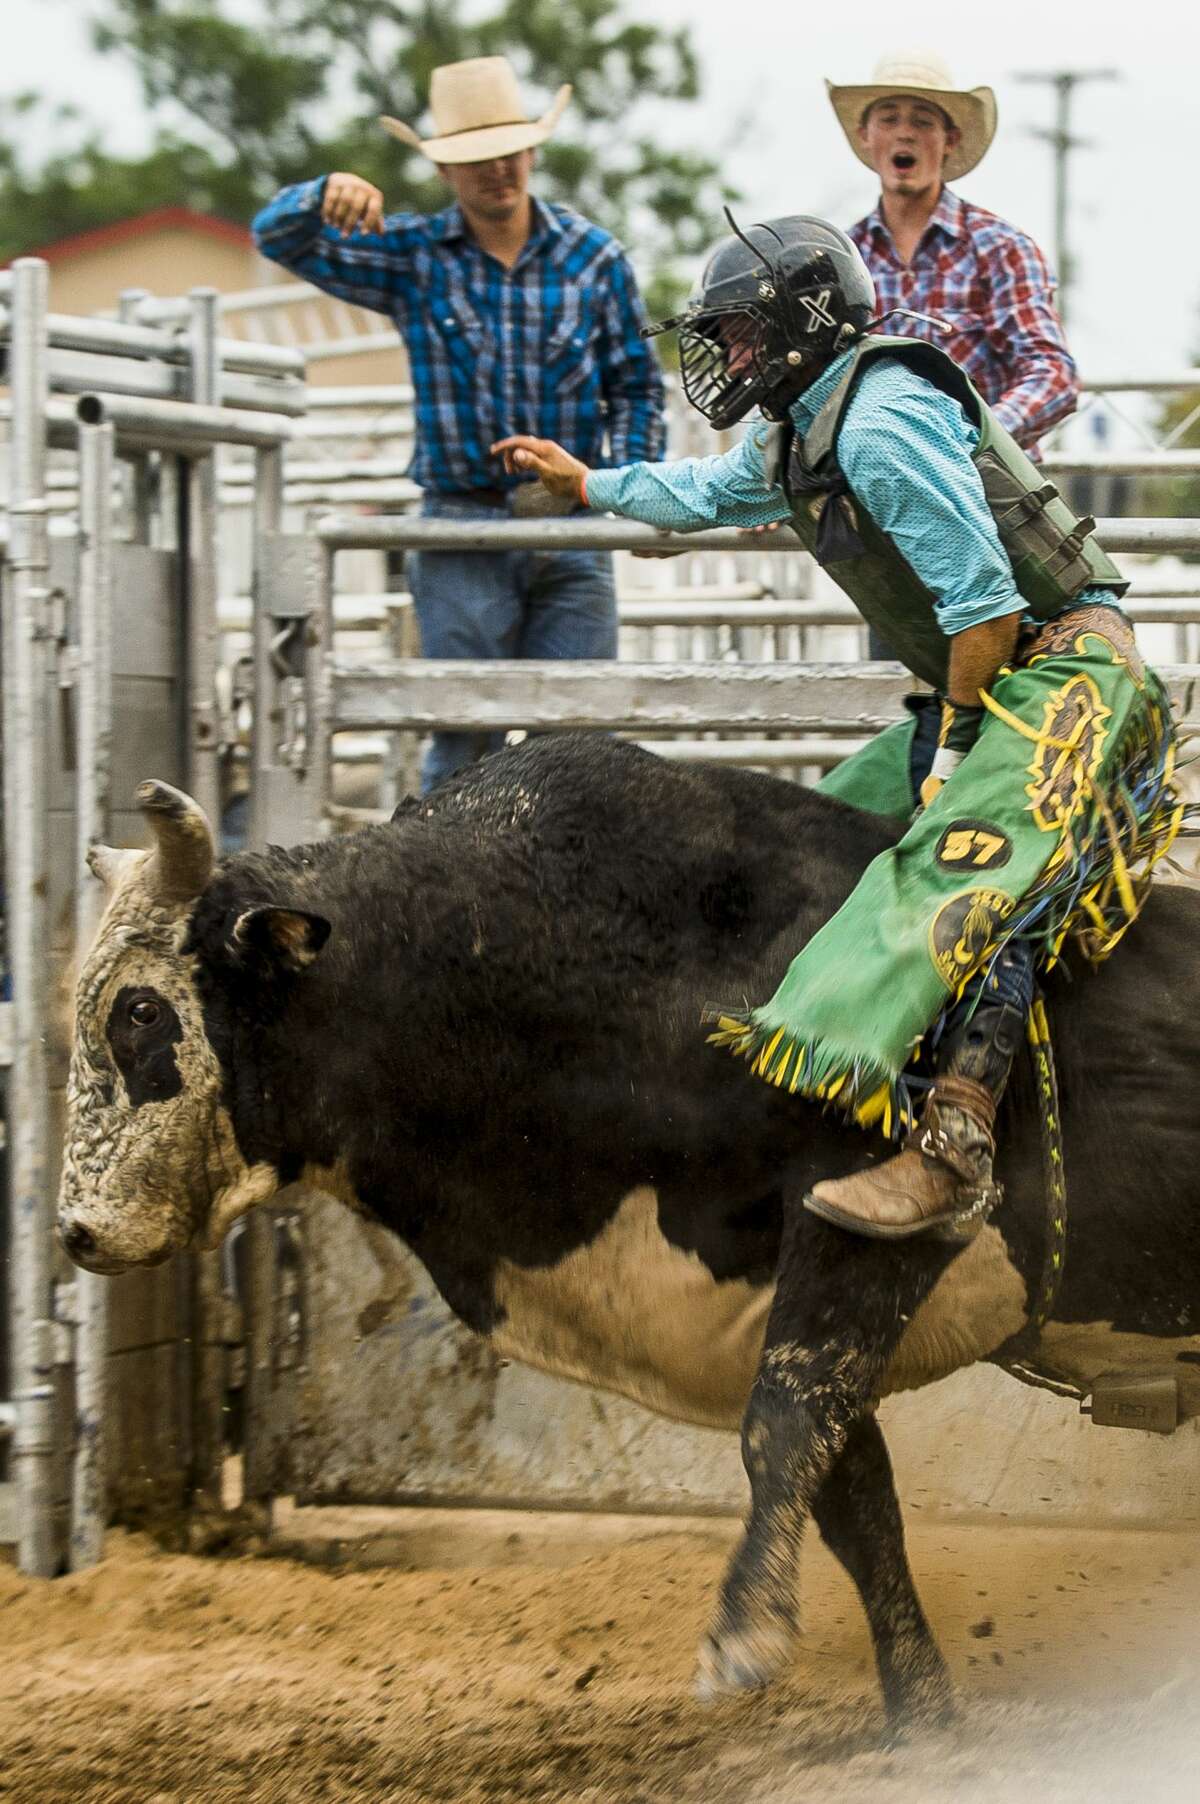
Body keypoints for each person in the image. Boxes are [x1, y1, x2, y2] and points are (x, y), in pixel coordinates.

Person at [492, 215, 1180, 1242]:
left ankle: (956, 1146)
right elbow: (705, 492)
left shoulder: (878, 424)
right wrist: (589, 481)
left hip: (1073, 669)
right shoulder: (806, 430)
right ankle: (817, 1089)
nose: (722, 358)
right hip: (1001, 680)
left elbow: (987, 609)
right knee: (821, 829)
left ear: (794, 327)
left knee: (968, 859)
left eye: (735, 336)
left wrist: (948, 758)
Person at [253, 56, 665, 793]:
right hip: (459, 524)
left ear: (532, 152)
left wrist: (623, 495)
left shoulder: (595, 258)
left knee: (580, 740)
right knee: (464, 734)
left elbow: (635, 387)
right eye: (475, 159)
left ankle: (571, 905)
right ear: (446, 171)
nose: (496, 171)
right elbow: (278, 238)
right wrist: (321, 195)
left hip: (572, 523)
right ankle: (456, 901)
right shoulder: (413, 257)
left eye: (508, 152)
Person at [830, 51, 1077, 454]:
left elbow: (1052, 374)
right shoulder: (839, 262)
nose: (905, 133)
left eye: (923, 121)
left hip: (984, 487)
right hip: (872, 483)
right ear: (866, 134)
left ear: (951, 140)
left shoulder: (1000, 248)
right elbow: (809, 383)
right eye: (889, 119)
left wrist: (974, 438)